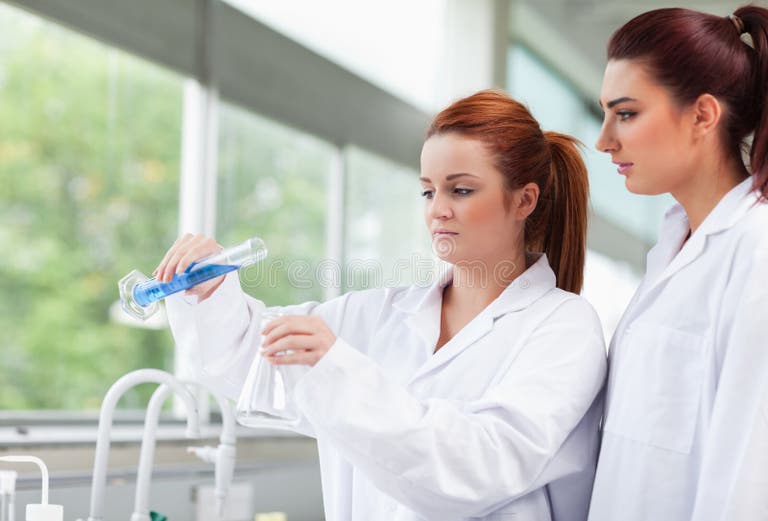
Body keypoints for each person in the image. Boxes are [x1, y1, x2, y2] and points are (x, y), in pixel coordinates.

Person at [157, 90, 606, 521]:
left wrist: (338, 371)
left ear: (524, 200)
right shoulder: (374, 316)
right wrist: (210, 291)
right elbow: (246, 359)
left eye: (461, 190)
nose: (438, 211)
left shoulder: (563, 327)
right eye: (428, 191)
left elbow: (479, 468)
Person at [589, 6, 768, 521]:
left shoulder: (755, 249)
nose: (604, 140)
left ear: (703, 115)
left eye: (625, 113)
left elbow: (747, 473)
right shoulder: (672, 247)